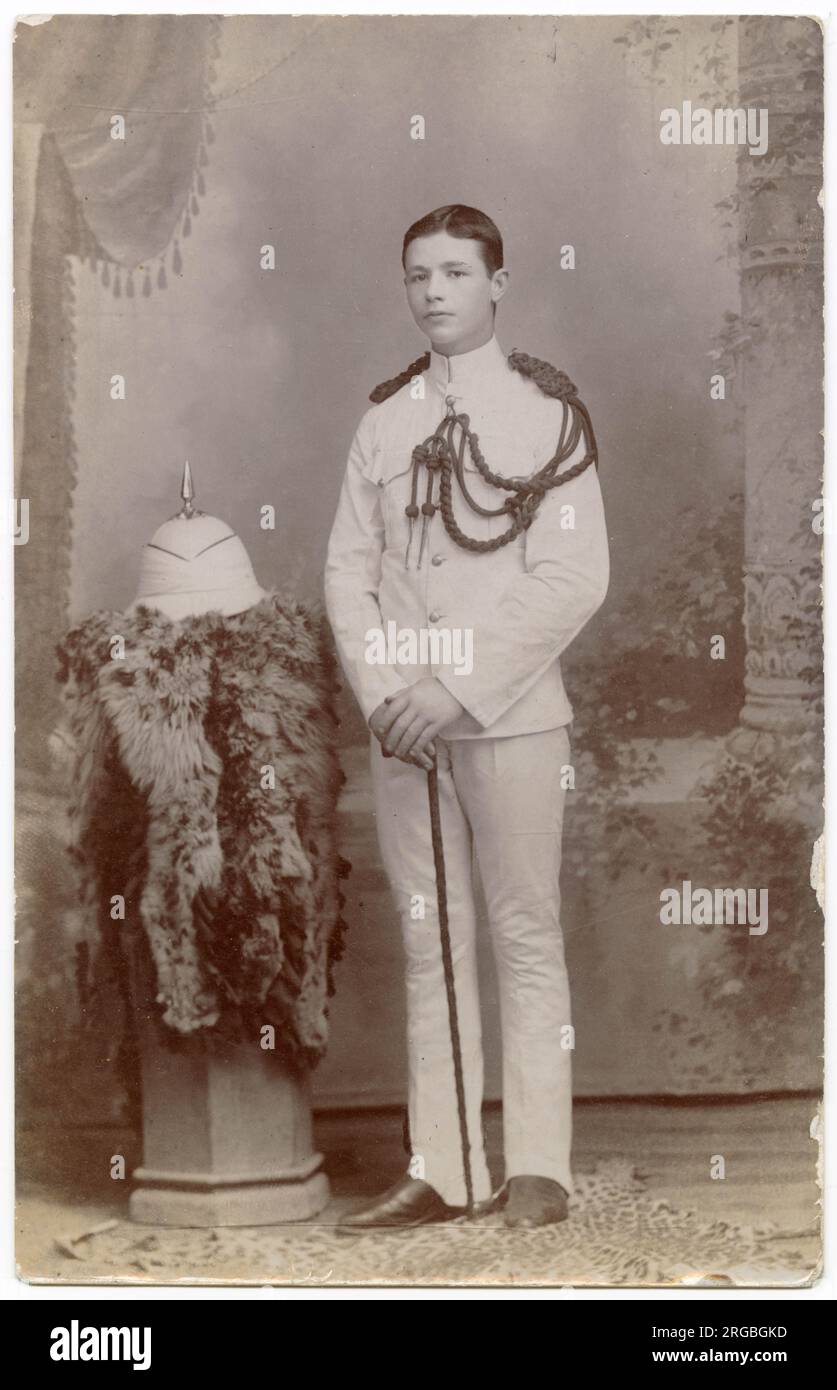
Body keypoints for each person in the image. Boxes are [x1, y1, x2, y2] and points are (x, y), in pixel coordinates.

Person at [324, 204, 609, 1230]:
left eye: (454, 271)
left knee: (524, 932)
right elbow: (347, 574)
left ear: (498, 283)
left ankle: (537, 1164)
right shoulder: (383, 423)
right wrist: (388, 698)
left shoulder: (547, 415)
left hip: (513, 716)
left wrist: (458, 688)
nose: (434, 291)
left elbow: (575, 577)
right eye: (417, 275)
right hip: (405, 725)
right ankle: (444, 1164)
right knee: (428, 938)